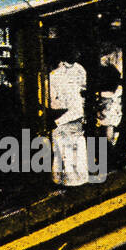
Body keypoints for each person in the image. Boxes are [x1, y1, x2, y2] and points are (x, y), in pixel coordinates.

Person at [48, 46, 89, 186]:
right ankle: (75, 181)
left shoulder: (54, 76)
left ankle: (63, 181)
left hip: (64, 118)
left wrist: (59, 115)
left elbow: (52, 102)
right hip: (71, 117)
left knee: (63, 152)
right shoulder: (61, 75)